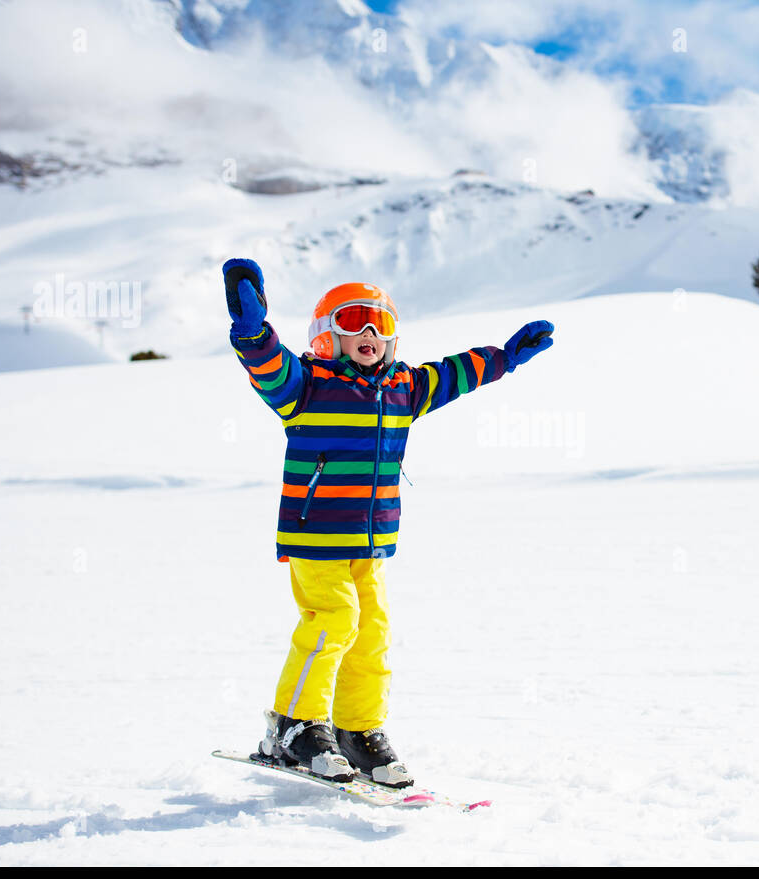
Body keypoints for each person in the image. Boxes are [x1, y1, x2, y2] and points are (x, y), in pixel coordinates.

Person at [223, 258, 554, 786]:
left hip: (371, 541)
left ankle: (358, 733)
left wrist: (504, 359)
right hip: (317, 534)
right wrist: (253, 332)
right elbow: (270, 366)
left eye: (381, 323)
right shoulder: (306, 386)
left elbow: (451, 376)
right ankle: (294, 727)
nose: (370, 332)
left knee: (371, 633)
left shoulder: (401, 387)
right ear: (327, 335)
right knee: (333, 621)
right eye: (354, 320)